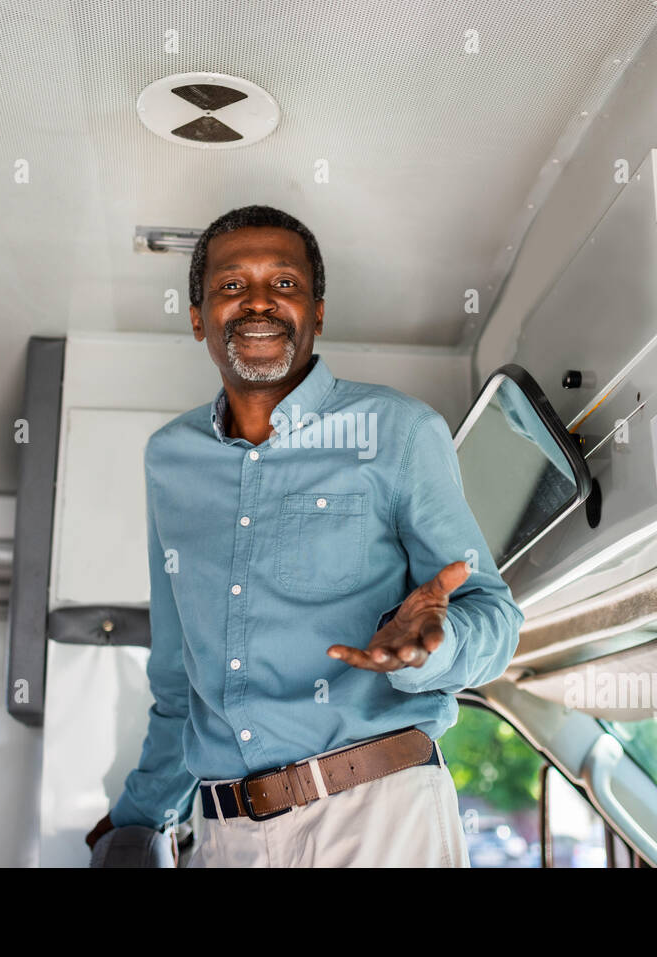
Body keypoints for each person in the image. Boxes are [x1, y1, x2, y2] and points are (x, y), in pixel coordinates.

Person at [85, 204, 524, 866]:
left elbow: (497, 618)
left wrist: (433, 646)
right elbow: (180, 681)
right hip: (222, 835)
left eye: (284, 284)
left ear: (317, 312)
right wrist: (138, 820)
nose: (258, 302)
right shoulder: (168, 460)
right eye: (232, 285)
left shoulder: (399, 431)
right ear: (198, 316)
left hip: (378, 820)